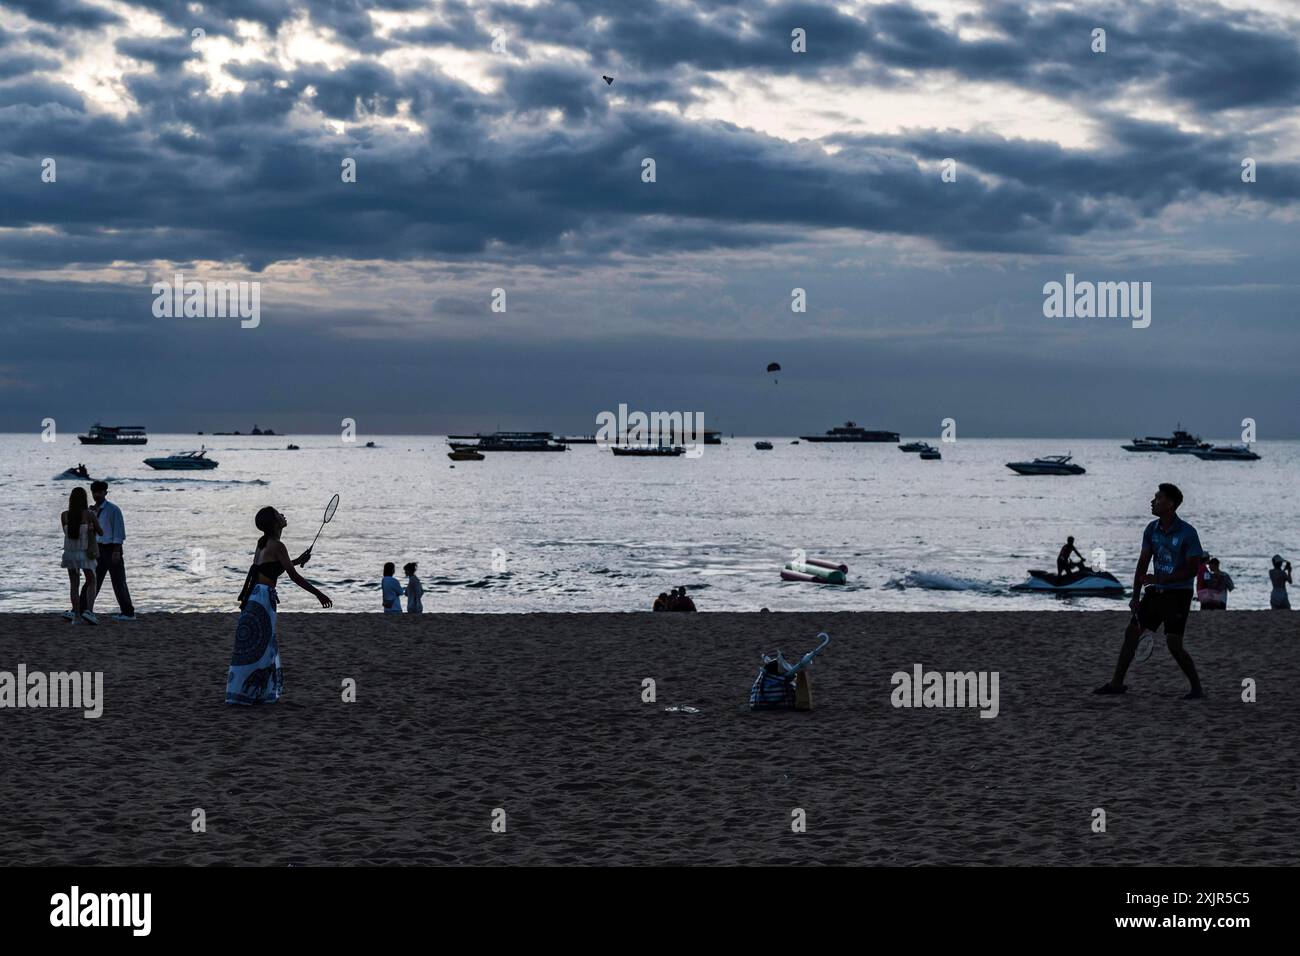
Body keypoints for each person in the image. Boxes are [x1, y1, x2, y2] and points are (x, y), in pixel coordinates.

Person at [1095, 483, 1205, 699]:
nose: (1152, 501)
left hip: (1178, 595)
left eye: (1158, 498)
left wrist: (1162, 578)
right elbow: (1143, 563)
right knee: (1131, 633)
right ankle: (1117, 683)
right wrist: (1135, 597)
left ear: (1170, 504)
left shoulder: (1188, 533)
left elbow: (1193, 569)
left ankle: (1197, 689)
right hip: (1156, 592)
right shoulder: (1151, 529)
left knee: (1174, 645)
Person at [227, 506, 329, 705]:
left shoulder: (264, 544)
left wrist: (298, 560)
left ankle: (252, 693)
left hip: (256, 596)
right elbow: (293, 576)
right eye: (279, 514)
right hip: (263, 598)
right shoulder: (277, 545)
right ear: (275, 523)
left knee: (260, 644)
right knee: (264, 646)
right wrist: (319, 593)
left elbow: (270, 570)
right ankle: (255, 694)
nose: (283, 515)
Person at [79, 480, 135, 621]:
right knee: (92, 580)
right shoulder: (92, 510)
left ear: (105, 493)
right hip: (97, 548)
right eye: (94, 492)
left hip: (111, 548)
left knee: (118, 581)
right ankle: (81, 609)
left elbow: (119, 531)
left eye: (99, 492)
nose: (97, 495)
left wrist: (116, 551)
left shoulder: (113, 510)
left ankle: (128, 612)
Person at [61, 487, 103, 624]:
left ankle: (76, 616)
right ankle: (89, 612)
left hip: (69, 554)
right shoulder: (89, 514)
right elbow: (101, 532)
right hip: (84, 553)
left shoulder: (65, 515)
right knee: (91, 581)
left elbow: (66, 533)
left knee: (74, 585)